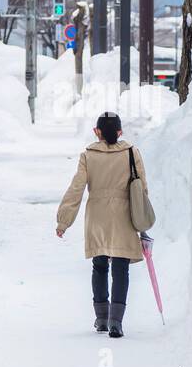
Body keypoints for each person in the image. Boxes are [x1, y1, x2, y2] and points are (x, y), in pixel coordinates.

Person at [56, 111, 149, 338]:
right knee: (120, 268)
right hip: (123, 215)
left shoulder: (88, 156)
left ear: (96, 132)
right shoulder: (131, 152)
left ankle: (101, 318)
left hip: (97, 216)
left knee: (99, 266)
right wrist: (143, 222)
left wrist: (63, 220)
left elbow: (76, 189)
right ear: (120, 132)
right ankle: (116, 321)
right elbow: (142, 188)